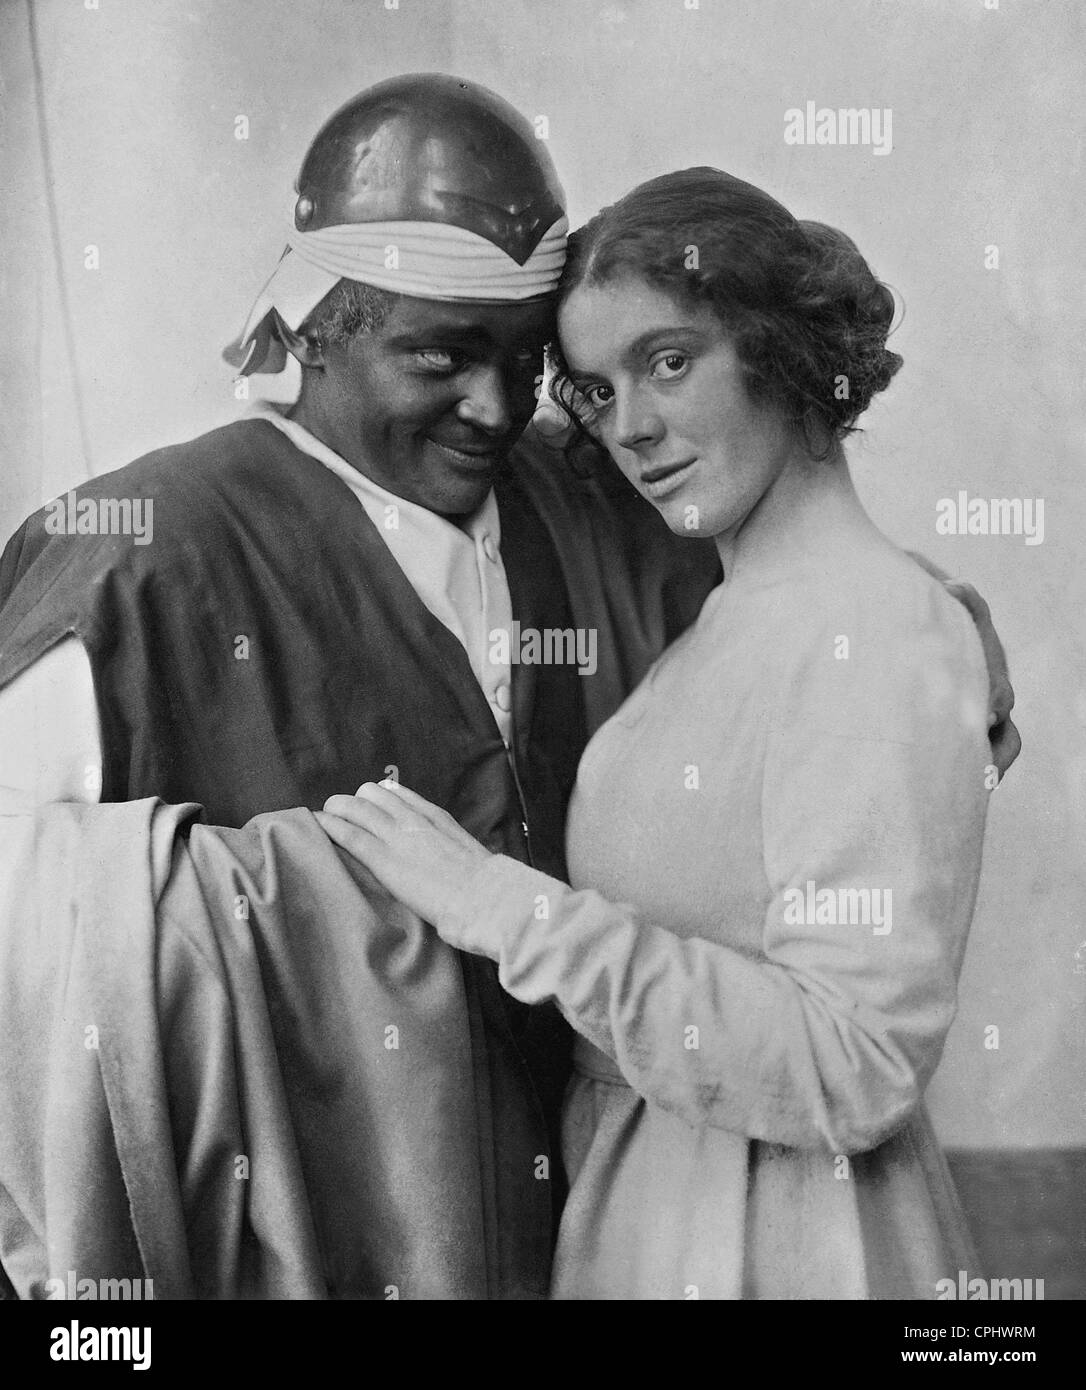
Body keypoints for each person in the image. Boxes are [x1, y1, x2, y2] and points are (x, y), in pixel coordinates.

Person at [0, 75, 1015, 1299]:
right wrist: (285, 902)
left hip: (667, 1218)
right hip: (327, 1245)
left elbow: (822, 597)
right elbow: (27, 923)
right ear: (312, 330)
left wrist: (937, 626)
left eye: (528, 364)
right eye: (440, 355)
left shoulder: (600, 501)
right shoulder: (141, 555)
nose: (492, 407)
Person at [316, 167, 1005, 1299]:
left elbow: (861, 1065)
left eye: (670, 361)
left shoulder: (881, 628)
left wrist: (502, 907)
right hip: (660, 1210)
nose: (630, 426)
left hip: (789, 1241)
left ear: (782, 352)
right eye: (596, 390)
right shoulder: (742, 615)